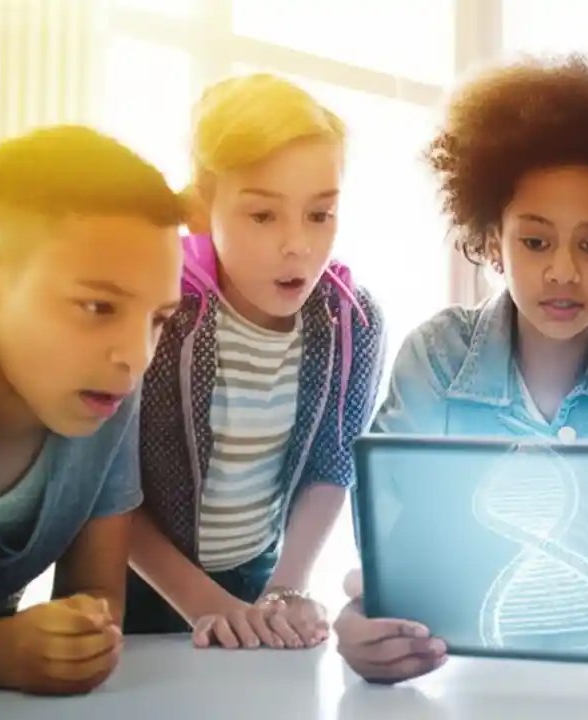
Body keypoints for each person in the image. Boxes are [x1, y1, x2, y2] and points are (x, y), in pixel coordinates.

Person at [337, 54, 588, 682]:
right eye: (534, 241)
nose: (563, 271)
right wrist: (373, 621)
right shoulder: (437, 357)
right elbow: (391, 549)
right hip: (467, 679)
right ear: (491, 237)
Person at [0, 126, 184, 693]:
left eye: (158, 319)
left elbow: (97, 594)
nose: (136, 357)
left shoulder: (106, 396)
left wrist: (80, 638)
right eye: (98, 305)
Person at [125, 74, 386, 651]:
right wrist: (203, 604)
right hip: (133, 580)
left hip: (257, 576)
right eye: (264, 216)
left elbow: (331, 463)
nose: (298, 245)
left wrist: (285, 589)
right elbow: (104, 487)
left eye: (320, 215)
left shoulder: (350, 320)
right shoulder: (160, 313)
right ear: (200, 208)